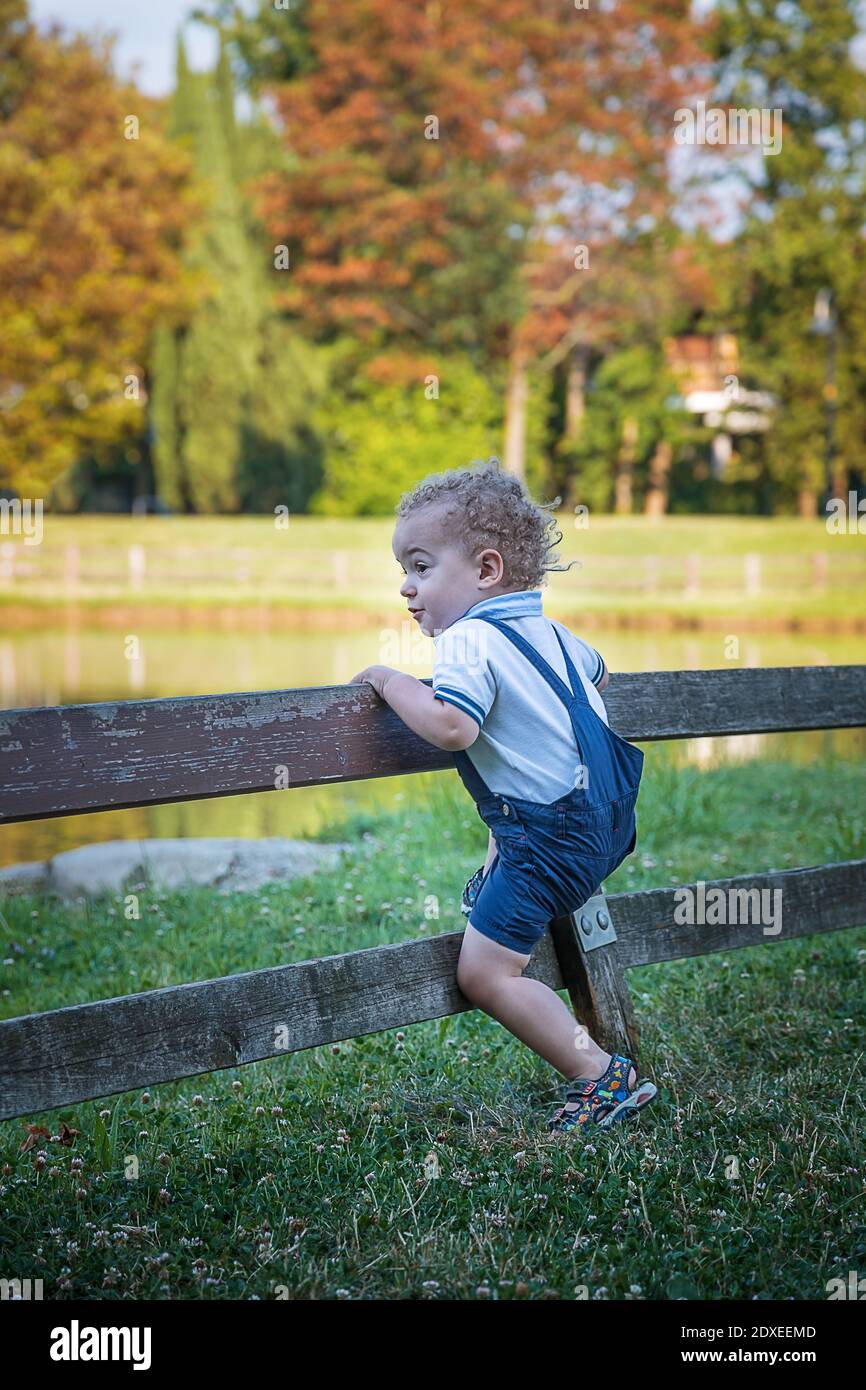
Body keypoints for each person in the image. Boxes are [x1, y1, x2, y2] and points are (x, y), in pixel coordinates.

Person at [350, 458, 656, 1134]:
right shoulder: (553, 632)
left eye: (422, 567)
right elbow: (597, 679)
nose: (405, 588)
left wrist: (388, 682)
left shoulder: (467, 640)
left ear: (485, 571)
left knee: (485, 974)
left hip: (550, 842)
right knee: (509, 872)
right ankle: (499, 865)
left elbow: (454, 727)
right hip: (605, 823)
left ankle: (601, 1075)